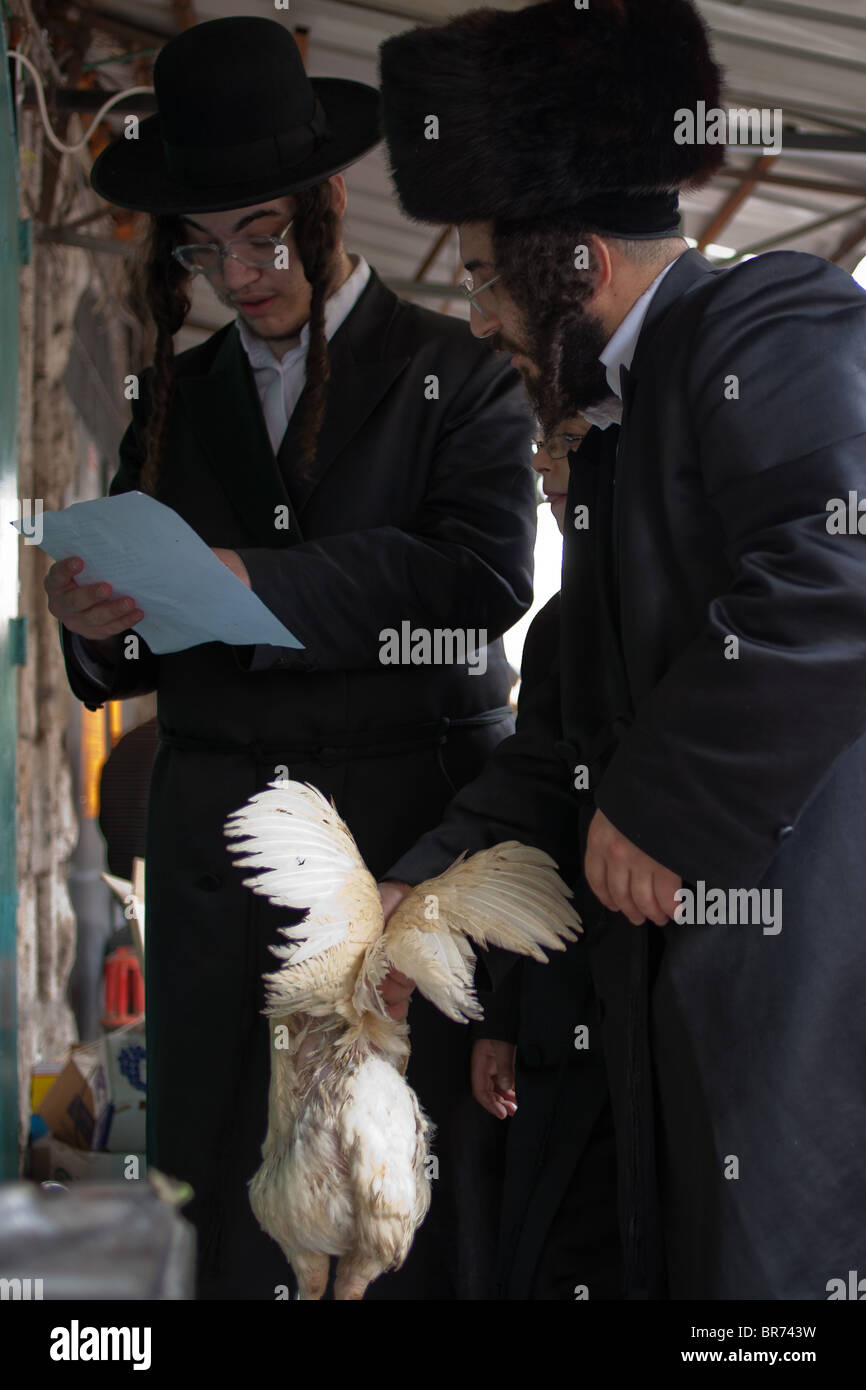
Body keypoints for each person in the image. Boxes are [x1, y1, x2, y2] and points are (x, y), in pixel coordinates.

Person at [379, 0, 866, 1298]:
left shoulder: (771, 318)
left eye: (483, 276)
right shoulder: (610, 429)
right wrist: (421, 905)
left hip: (801, 989)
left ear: (574, 262)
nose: (477, 319)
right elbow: (561, 745)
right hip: (653, 1008)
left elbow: (838, 562)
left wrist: (662, 799)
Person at [46, 15, 536, 1301]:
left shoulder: (459, 373)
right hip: (215, 864)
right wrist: (98, 625)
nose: (237, 273)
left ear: (326, 206)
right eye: (203, 249)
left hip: (397, 852)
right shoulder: (172, 398)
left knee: (394, 1204)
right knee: (227, 1193)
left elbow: (482, 580)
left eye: (261, 235)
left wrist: (255, 581)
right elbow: (131, 628)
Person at [388, 418, 624, 1299]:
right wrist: (502, 1017)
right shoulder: (563, 627)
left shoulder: (724, 616)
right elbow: (537, 823)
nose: (542, 467)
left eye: (567, 441)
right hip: (567, 1020)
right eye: (542, 446)